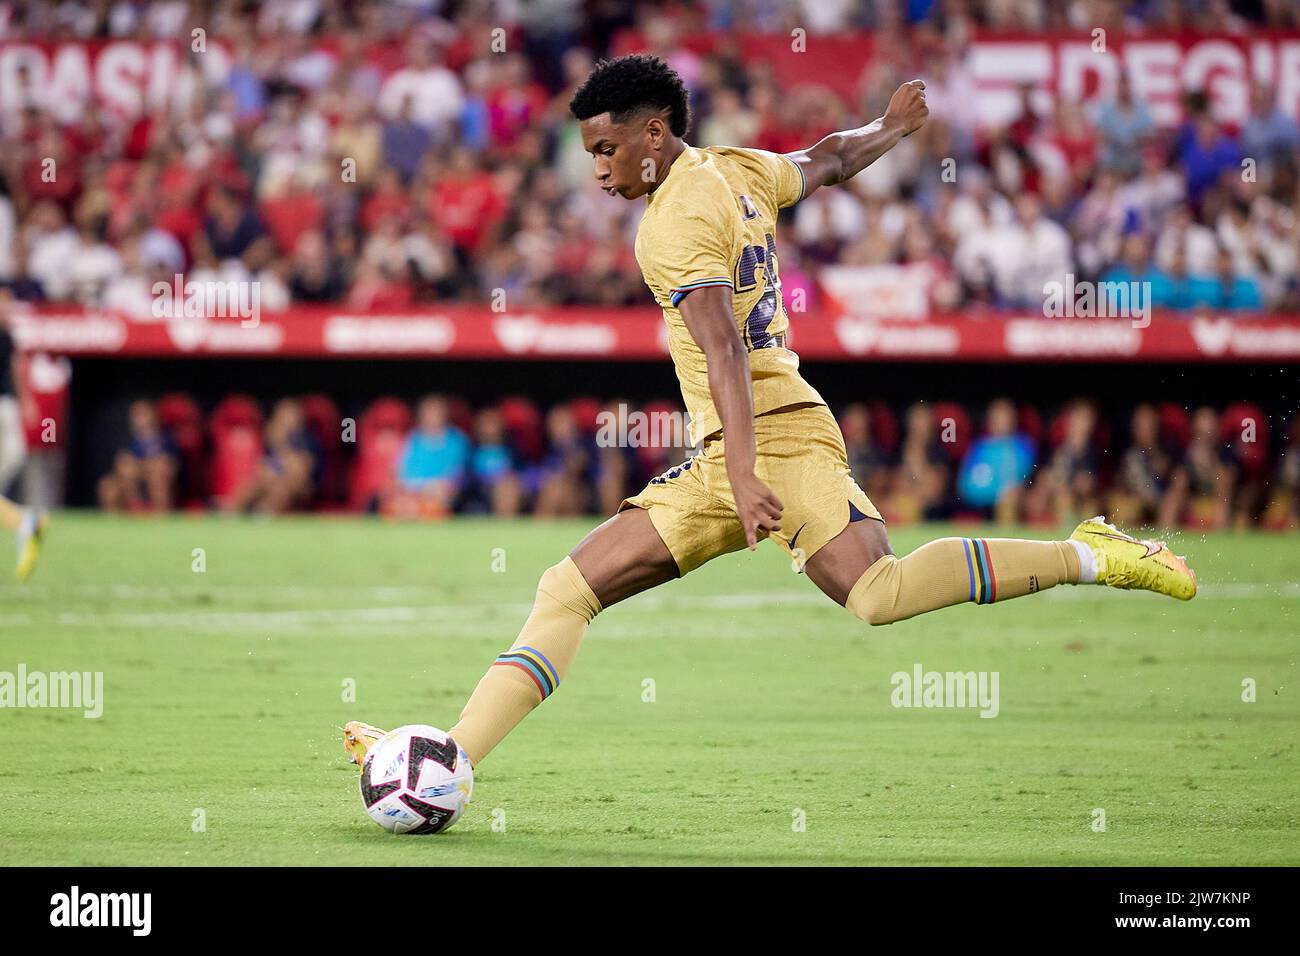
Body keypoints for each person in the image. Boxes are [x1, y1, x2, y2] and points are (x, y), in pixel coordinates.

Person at [343, 56, 1197, 809]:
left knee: (878, 595)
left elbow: (722, 352)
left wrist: (747, 473)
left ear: (653, 134)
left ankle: (1092, 554)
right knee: (567, 589)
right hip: (730, 452)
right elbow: (826, 160)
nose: (595, 169)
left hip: (772, 438)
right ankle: (445, 761)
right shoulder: (737, 170)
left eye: (606, 150)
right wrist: (889, 129)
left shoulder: (671, 224)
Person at [0, 288, 45, 579]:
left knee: (13, 460)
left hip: (4, 408)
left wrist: (27, 400)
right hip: (7, 409)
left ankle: (23, 522)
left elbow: (15, 368)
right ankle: (24, 522)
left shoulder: (6, 336)